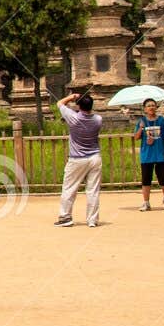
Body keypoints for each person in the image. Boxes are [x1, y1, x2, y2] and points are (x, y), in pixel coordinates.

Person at [55, 88, 104, 227]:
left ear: (79, 106)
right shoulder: (98, 119)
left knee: (69, 188)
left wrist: (72, 96)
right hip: (94, 157)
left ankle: (65, 217)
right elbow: (89, 115)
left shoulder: (74, 118)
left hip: (77, 158)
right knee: (93, 190)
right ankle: (92, 220)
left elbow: (59, 103)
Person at [134, 97, 164, 211]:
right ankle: (146, 202)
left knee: (163, 179)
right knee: (146, 179)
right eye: (149, 106)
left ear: (156, 107)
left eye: (153, 105)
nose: (151, 107)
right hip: (147, 155)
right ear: (145, 109)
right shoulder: (141, 121)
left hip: (160, 153)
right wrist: (141, 128)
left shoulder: (161, 120)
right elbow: (136, 137)